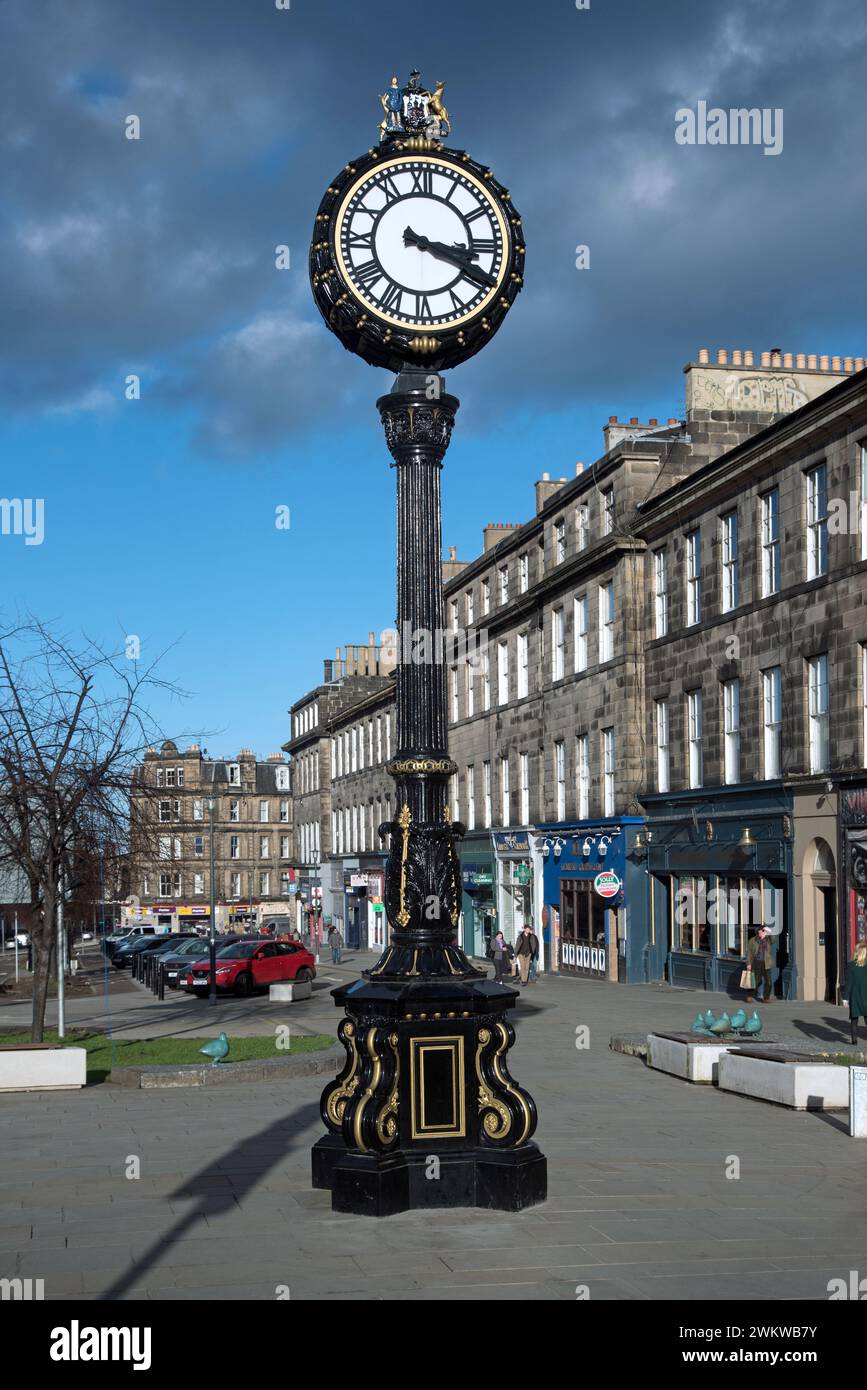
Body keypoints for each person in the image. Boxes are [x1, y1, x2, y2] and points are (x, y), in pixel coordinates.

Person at [844, 940, 867, 1045]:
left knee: (854, 1020)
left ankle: (854, 1040)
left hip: (855, 996)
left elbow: (848, 983)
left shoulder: (851, 965)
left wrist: (845, 998)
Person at [746, 926, 774, 1003]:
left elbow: (774, 940)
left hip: (766, 963)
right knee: (755, 981)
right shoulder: (753, 940)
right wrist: (748, 963)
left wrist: (769, 931)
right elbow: (749, 953)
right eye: (761, 931)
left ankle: (766, 998)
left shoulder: (768, 940)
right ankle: (749, 995)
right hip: (756, 962)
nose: (762, 932)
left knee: (769, 982)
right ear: (758, 931)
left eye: (763, 931)